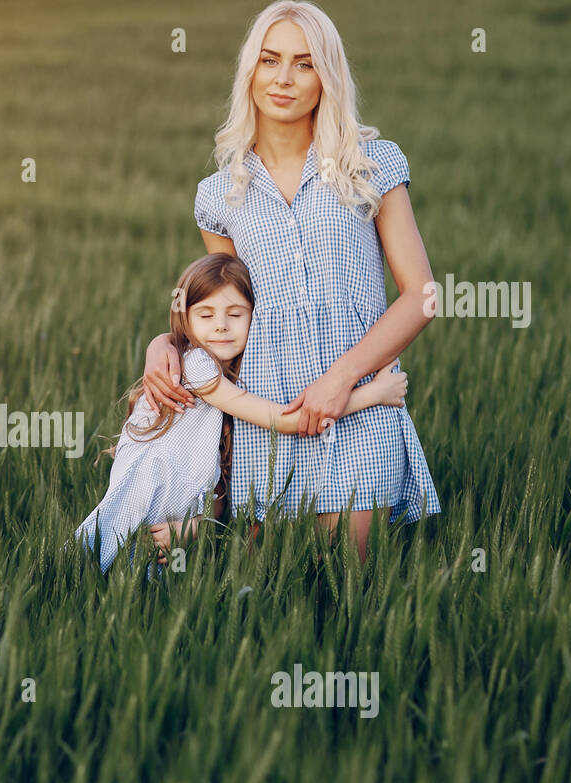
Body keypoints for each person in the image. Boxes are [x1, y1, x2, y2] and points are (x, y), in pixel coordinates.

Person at [143, 1, 441, 563]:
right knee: (270, 594)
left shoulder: (370, 165)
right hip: (267, 411)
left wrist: (342, 378)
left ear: (327, 76)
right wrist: (165, 343)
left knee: (351, 591)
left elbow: (423, 296)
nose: (283, 79)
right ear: (249, 71)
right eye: (270, 60)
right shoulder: (219, 194)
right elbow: (223, 312)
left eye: (304, 64)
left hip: (360, 402)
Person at [75, 253, 407, 573]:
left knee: (147, 587)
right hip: (147, 501)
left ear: (255, 317)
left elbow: (216, 477)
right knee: (110, 571)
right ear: (186, 320)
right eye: (205, 316)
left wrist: (193, 526)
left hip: (175, 509)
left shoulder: (235, 373)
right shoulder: (197, 365)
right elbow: (287, 421)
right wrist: (374, 394)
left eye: (235, 314)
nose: (220, 326)